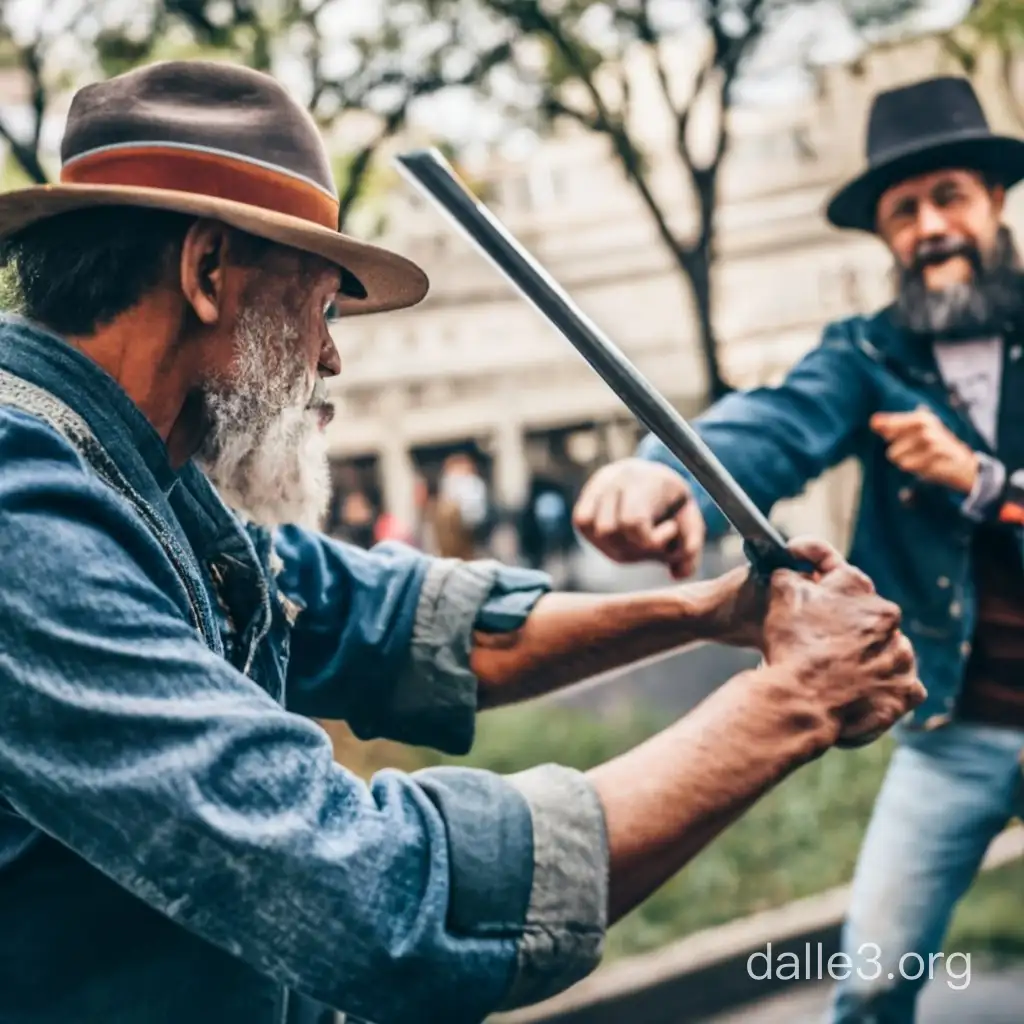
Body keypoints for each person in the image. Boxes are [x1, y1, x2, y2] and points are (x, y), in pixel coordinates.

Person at [0, 60, 922, 1024]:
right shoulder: (24, 521)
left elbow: (385, 625)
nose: (329, 356)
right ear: (207, 273)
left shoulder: (141, 476)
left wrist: (711, 611)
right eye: (321, 308)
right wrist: (795, 700)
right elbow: (374, 895)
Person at [573, 75, 1024, 1023]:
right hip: (953, 733)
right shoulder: (867, 355)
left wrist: (980, 480)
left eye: (948, 197)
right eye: (904, 212)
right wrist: (666, 474)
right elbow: (775, 423)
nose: (930, 226)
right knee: (870, 988)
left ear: (994, 199)